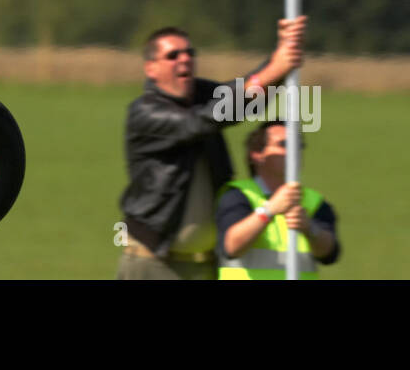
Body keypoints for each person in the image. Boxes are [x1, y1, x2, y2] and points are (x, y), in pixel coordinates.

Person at [117, 18, 305, 280]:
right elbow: (201, 122)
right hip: (153, 262)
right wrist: (275, 68)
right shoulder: (145, 112)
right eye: (172, 55)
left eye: (189, 53)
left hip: (205, 265)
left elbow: (245, 100)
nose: (184, 59)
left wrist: (283, 53)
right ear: (151, 68)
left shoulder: (202, 94)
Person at [215, 120, 340, 279]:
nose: (293, 150)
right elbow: (231, 247)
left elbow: (329, 254)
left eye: (298, 144)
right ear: (257, 154)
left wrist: (310, 228)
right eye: (284, 144)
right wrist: (268, 211)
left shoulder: (314, 201)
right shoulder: (238, 195)